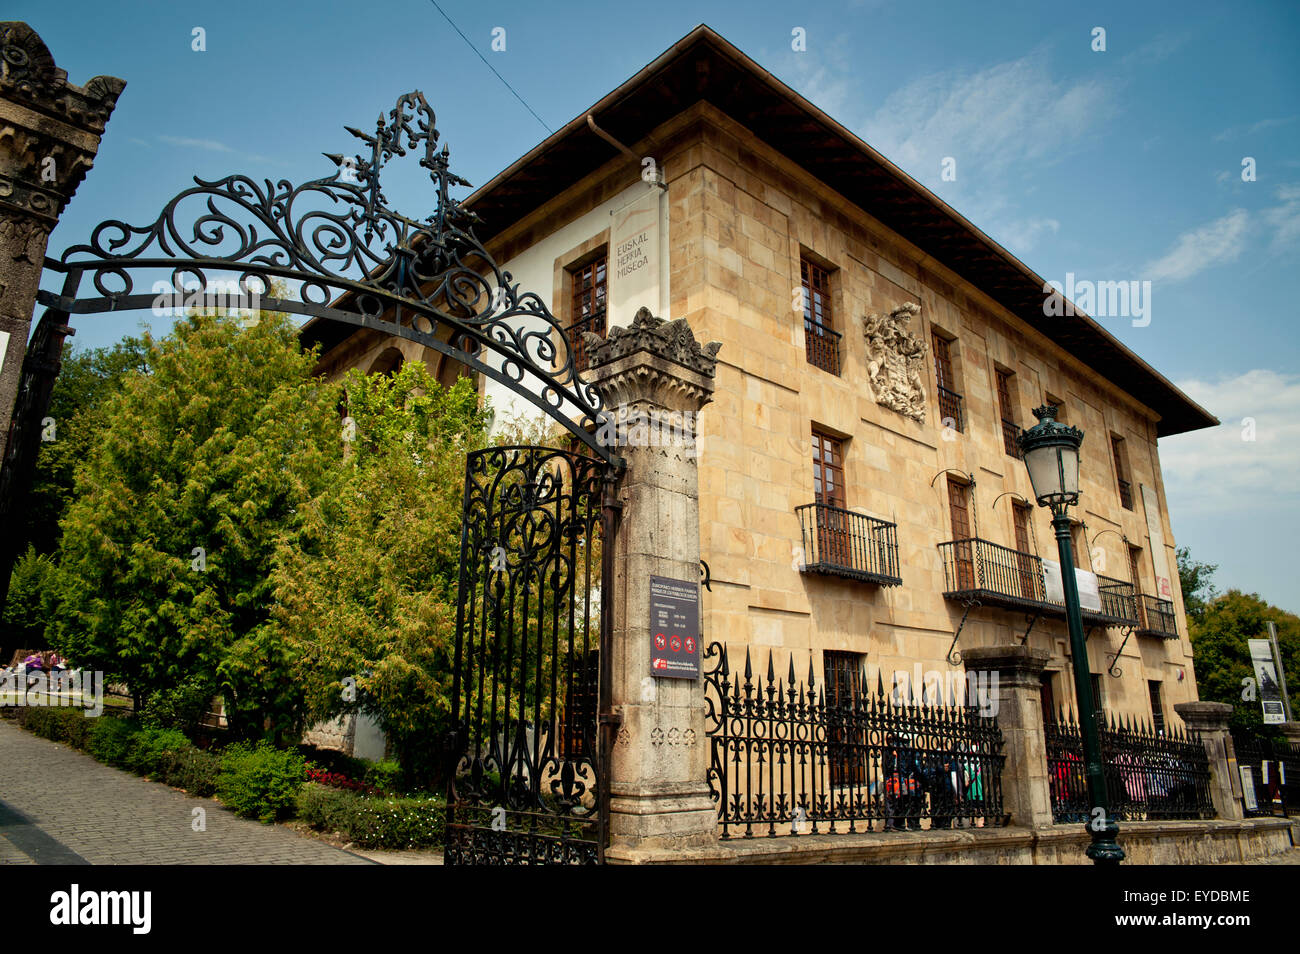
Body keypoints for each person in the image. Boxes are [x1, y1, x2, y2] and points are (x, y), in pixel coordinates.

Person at [882, 734, 922, 832]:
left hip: (896, 780)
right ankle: (897, 824)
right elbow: (914, 767)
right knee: (901, 802)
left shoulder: (893, 750)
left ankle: (894, 824)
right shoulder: (899, 751)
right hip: (900, 780)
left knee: (896, 802)